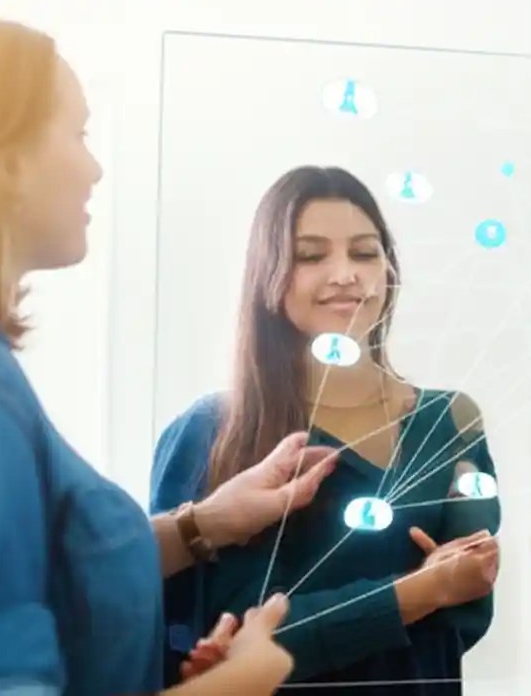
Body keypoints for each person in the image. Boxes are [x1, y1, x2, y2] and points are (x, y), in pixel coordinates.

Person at [0, 12, 336, 696]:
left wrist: (204, 524)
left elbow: (45, 576)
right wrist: (236, 685)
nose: (93, 165)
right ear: (1, 156)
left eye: (365, 252)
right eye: (78, 133)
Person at [151, 165, 502, 694]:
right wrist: (418, 591)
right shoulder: (210, 431)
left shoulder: (451, 419)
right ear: (268, 274)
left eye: (364, 252)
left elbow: (467, 611)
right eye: (311, 255)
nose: (345, 274)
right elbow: (220, 643)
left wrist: (438, 591)